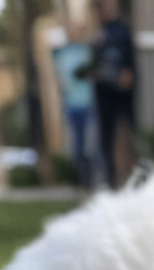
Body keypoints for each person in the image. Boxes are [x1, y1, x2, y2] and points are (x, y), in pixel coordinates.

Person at [88, 0, 135, 189]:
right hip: (103, 92)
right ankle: (110, 177)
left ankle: (131, 175)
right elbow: (91, 62)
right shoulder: (96, 32)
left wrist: (127, 73)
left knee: (126, 132)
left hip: (122, 94)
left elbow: (129, 63)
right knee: (106, 137)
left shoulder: (123, 30)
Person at [52, 25, 95, 189]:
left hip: (88, 103)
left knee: (89, 143)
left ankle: (90, 178)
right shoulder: (63, 54)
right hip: (72, 104)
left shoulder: (86, 52)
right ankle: (79, 177)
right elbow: (63, 77)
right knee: (77, 142)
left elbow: (90, 71)